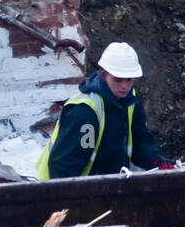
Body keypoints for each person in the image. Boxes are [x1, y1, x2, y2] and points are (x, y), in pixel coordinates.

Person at [36, 42, 173, 180]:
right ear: (103, 75)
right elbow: (68, 163)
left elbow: (140, 141)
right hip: (66, 189)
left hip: (108, 185)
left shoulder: (130, 101)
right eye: (118, 80)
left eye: (129, 80)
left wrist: (155, 160)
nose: (124, 86)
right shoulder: (86, 112)